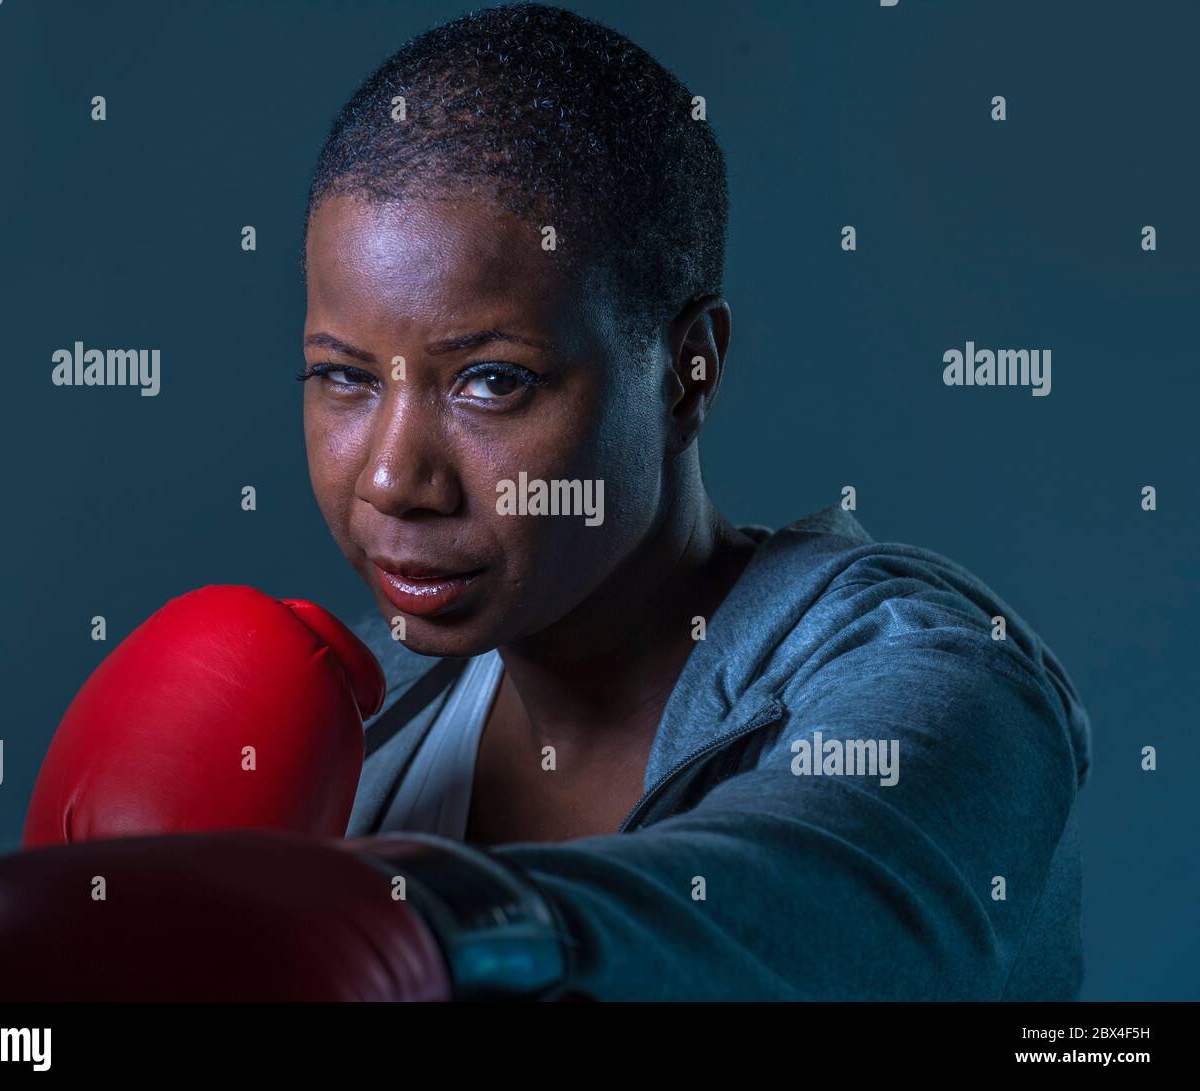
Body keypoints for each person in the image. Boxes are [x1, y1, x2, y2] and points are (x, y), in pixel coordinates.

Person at [298, 1, 1090, 999]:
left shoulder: (937, 672)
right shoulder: (347, 719)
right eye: (344, 376)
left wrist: (412, 924)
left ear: (688, 370)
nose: (389, 478)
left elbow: (831, 911)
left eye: (491, 380)